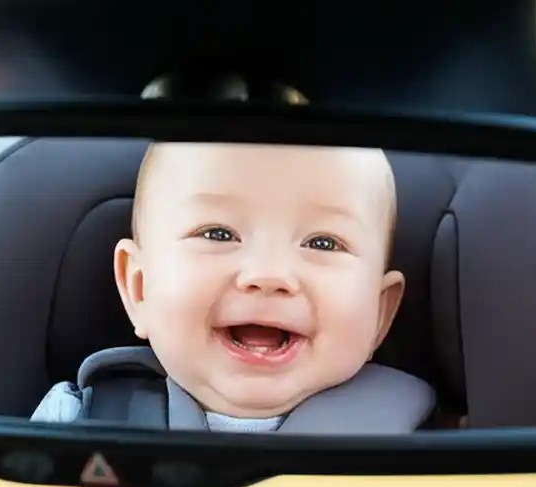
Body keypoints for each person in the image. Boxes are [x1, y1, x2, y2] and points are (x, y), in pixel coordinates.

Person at [31, 142, 436, 434]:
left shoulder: (426, 445)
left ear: (380, 313)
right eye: (218, 234)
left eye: (323, 243)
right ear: (139, 288)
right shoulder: (75, 423)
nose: (268, 274)